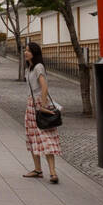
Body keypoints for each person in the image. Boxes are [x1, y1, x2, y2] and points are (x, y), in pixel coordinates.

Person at [21, 41, 62, 184]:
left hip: (39, 104)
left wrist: (43, 105)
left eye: (28, 51)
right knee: (32, 136)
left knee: (47, 137)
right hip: (31, 104)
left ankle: (53, 172)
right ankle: (38, 169)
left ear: (35, 53)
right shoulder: (29, 68)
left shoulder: (38, 67)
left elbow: (44, 87)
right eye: (25, 50)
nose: (26, 52)